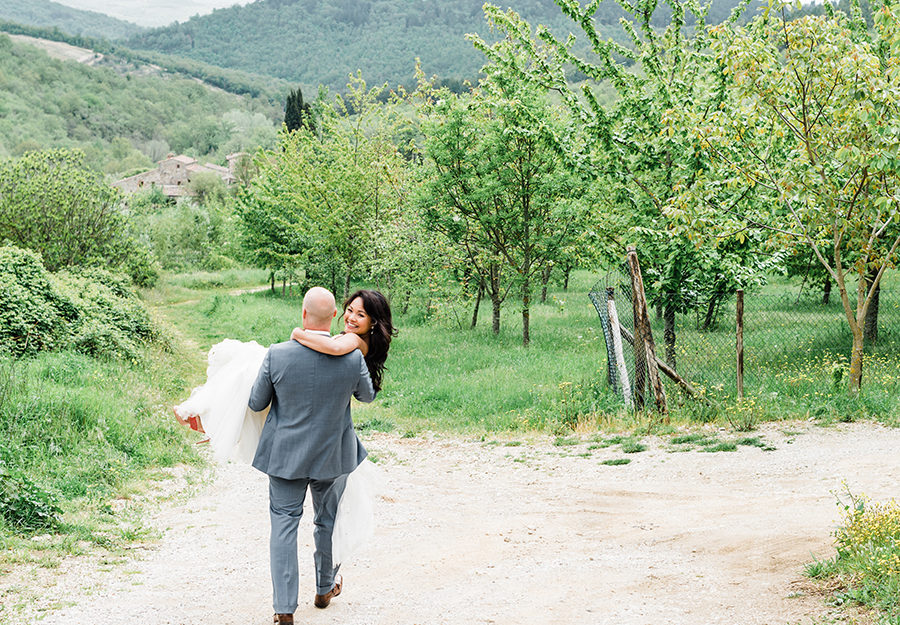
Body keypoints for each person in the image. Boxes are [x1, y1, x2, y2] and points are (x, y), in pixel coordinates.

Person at [173, 287, 395, 624]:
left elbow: (256, 403)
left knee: (283, 526)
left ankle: (284, 609)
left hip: (286, 457)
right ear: (334, 316)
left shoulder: (276, 355)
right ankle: (323, 588)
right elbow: (365, 396)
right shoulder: (351, 356)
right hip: (334, 456)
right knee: (327, 521)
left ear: (303, 315)